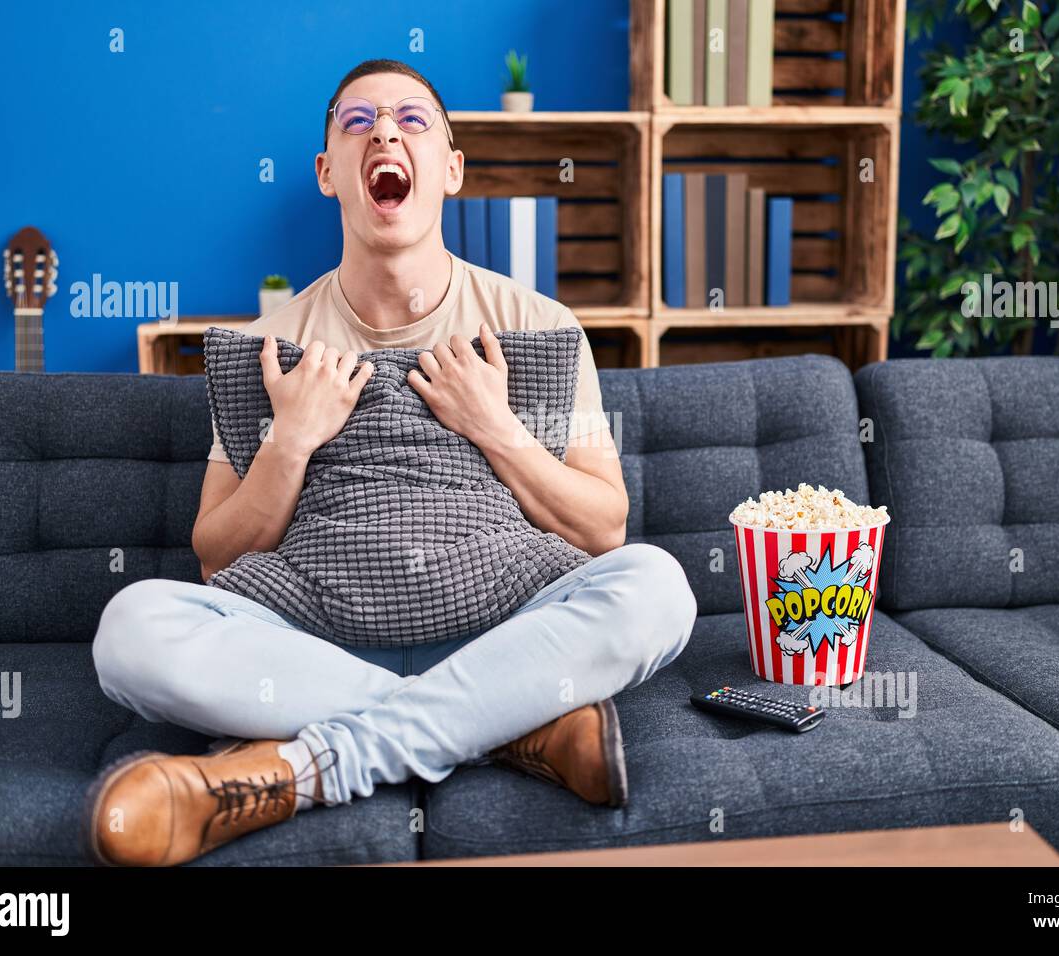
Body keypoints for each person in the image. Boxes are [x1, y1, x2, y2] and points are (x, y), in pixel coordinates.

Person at [85, 59, 698, 867]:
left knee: (658, 586)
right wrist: (291, 438)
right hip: (318, 648)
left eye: (413, 121)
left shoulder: (536, 323)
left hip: (504, 630)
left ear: (450, 169)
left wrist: (495, 425)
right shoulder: (269, 345)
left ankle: (307, 768)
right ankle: (512, 729)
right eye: (357, 122)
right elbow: (218, 556)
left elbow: (604, 527)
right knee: (130, 631)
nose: (384, 133)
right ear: (327, 172)